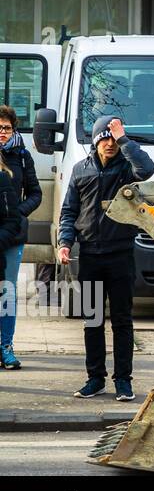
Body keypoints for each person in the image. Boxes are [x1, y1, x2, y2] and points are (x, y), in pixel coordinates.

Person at [57, 114, 154, 401]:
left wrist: (125, 139)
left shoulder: (127, 169)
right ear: (96, 141)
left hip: (121, 254)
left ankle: (123, 381)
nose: (110, 144)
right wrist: (65, 242)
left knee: (122, 321)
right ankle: (94, 379)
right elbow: (69, 212)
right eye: (105, 138)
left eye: (114, 139)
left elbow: (147, 168)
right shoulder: (80, 171)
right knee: (92, 320)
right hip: (89, 255)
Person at [0, 106, 41, 369]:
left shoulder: (23, 157)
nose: (1, 133)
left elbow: (36, 193)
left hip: (12, 234)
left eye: (6, 128)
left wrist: (16, 213)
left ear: (13, 130)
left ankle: (6, 346)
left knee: (7, 292)